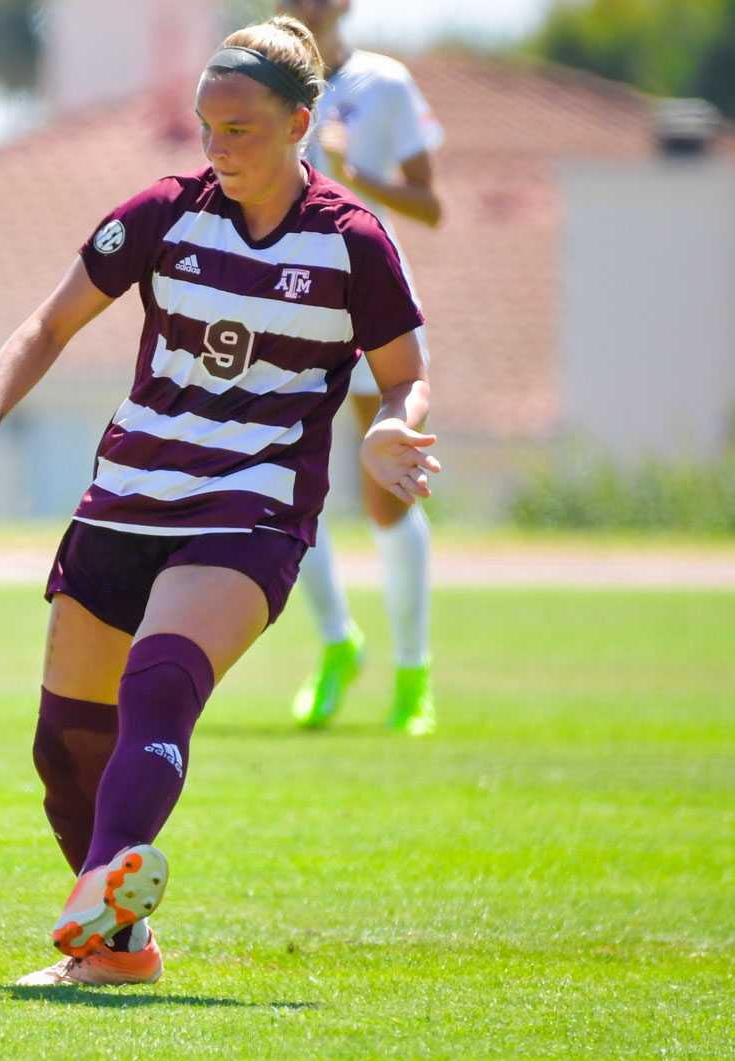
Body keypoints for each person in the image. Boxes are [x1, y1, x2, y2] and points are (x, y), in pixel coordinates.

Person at [0, 18, 438, 987]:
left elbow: (407, 374)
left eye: (239, 129)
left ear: (302, 123)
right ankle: (120, 951)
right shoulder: (165, 213)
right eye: (206, 127)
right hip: (123, 501)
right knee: (66, 751)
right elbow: (50, 322)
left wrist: (390, 426)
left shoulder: (352, 244)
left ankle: (97, 904)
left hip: (248, 515)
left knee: (159, 684)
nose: (216, 148)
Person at [278, 0, 446, 735]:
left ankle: (414, 674)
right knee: (286, 493)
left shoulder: (385, 82)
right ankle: (338, 643)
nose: (304, 7)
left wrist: (354, 175)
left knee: (388, 495)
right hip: (284, 303)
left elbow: (431, 204)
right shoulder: (263, 77)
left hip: (369, 299)